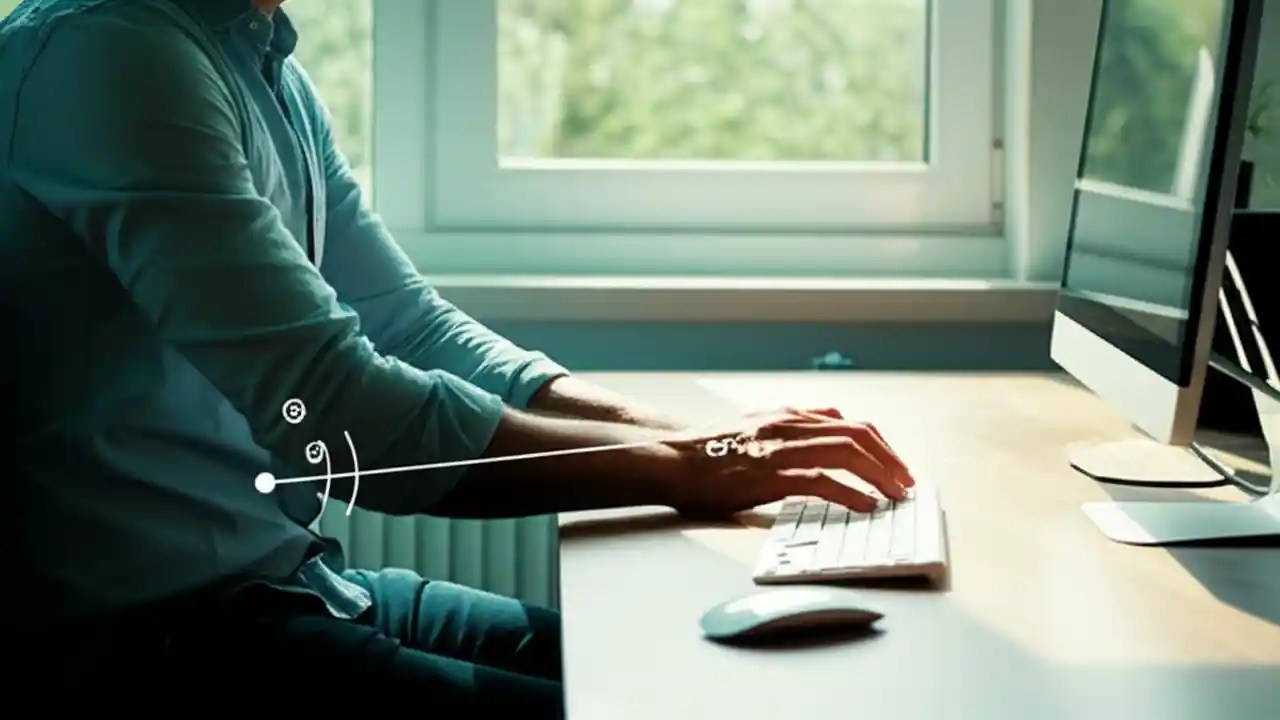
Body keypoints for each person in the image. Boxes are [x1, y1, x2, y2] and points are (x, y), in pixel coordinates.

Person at [1, 0, 914, 711]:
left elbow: (408, 324)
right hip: (147, 650)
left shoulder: (254, 61)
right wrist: (683, 465)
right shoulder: (110, 55)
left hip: (290, 586)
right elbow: (343, 416)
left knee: (694, 672)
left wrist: (714, 439)